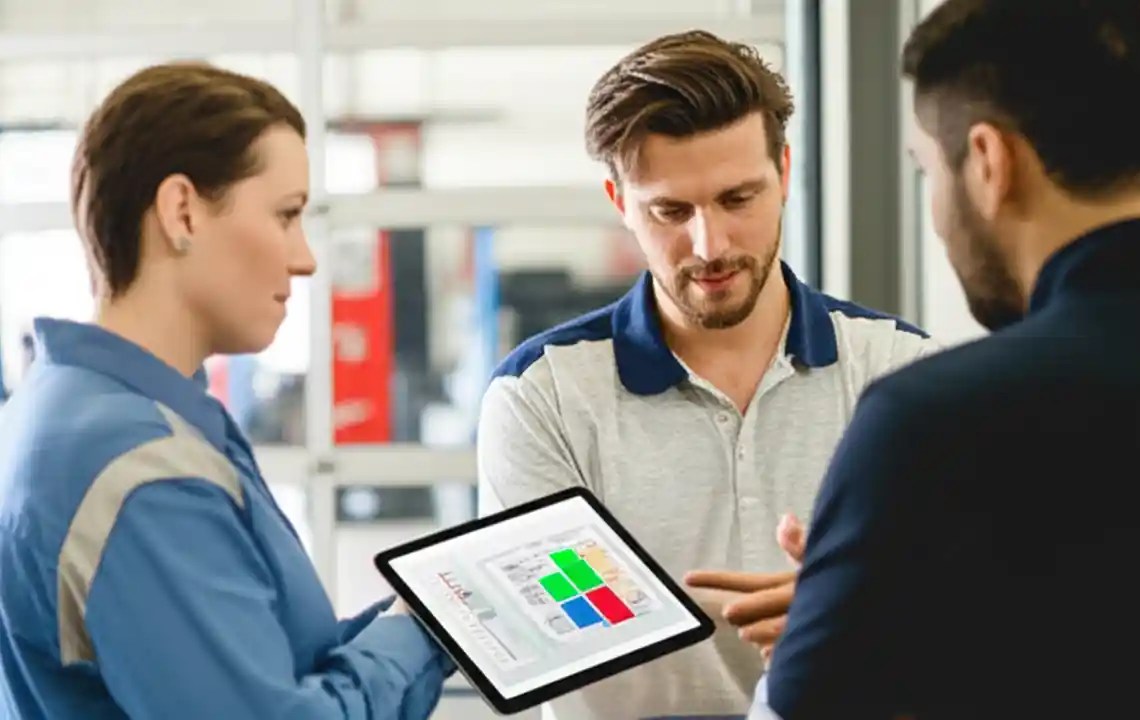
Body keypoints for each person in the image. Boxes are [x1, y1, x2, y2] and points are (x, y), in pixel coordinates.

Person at [746, 1, 1140, 718]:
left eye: (927, 171)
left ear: (991, 162)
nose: (936, 210)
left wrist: (844, 615)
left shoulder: (928, 426)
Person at [475, 30, 936, 720]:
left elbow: (968, 616)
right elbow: (544, 634)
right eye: (671, 210)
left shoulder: (901, 375)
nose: (709, 245)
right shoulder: (541, 398)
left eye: (738, 199)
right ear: (619, 201)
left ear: (783, 173)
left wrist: (858, 612)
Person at [0, 62, 451, 719]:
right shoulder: (139, 471)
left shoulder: (64, 404)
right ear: (182, 211)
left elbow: (261, 669)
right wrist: (419, 628)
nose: (305, 258)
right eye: (286, 215)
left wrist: (410, 618)